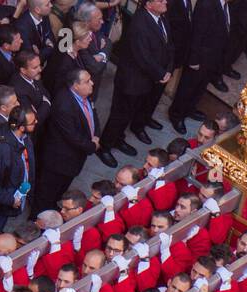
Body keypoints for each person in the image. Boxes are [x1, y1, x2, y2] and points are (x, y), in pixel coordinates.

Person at [98, 0, 172, 166]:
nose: (165, 2)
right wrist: (160, 73)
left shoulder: (161, 18)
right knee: (119, 114)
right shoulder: (140, 24)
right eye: (160, 0)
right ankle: (105, 146)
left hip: (146, 79)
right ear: (149, 4)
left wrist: (168, 68)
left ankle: (118, 138)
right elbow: (143, 55)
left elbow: (169, 44)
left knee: (130, 112)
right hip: (131, 80)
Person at [31, 69, 100, 215]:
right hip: (59, 160)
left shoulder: (85, 95)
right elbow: (72, 136)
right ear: (75, 86)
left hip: (73, 159)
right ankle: (38, 219)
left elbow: (93, 115)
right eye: (87, 81)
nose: (92, 83)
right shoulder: (64, 105)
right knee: (46, 193)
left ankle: (52, 209)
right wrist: (92, 145)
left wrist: (97, 135)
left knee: (60, 190)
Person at [167, 0, 229, 134]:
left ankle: (189, 109)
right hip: (199, 58)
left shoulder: (225, 5)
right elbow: (197, 32)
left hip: (210, 59)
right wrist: (193, 59)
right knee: (187, 88)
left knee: (199, 87)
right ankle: (176, 115)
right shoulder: (207, 4)